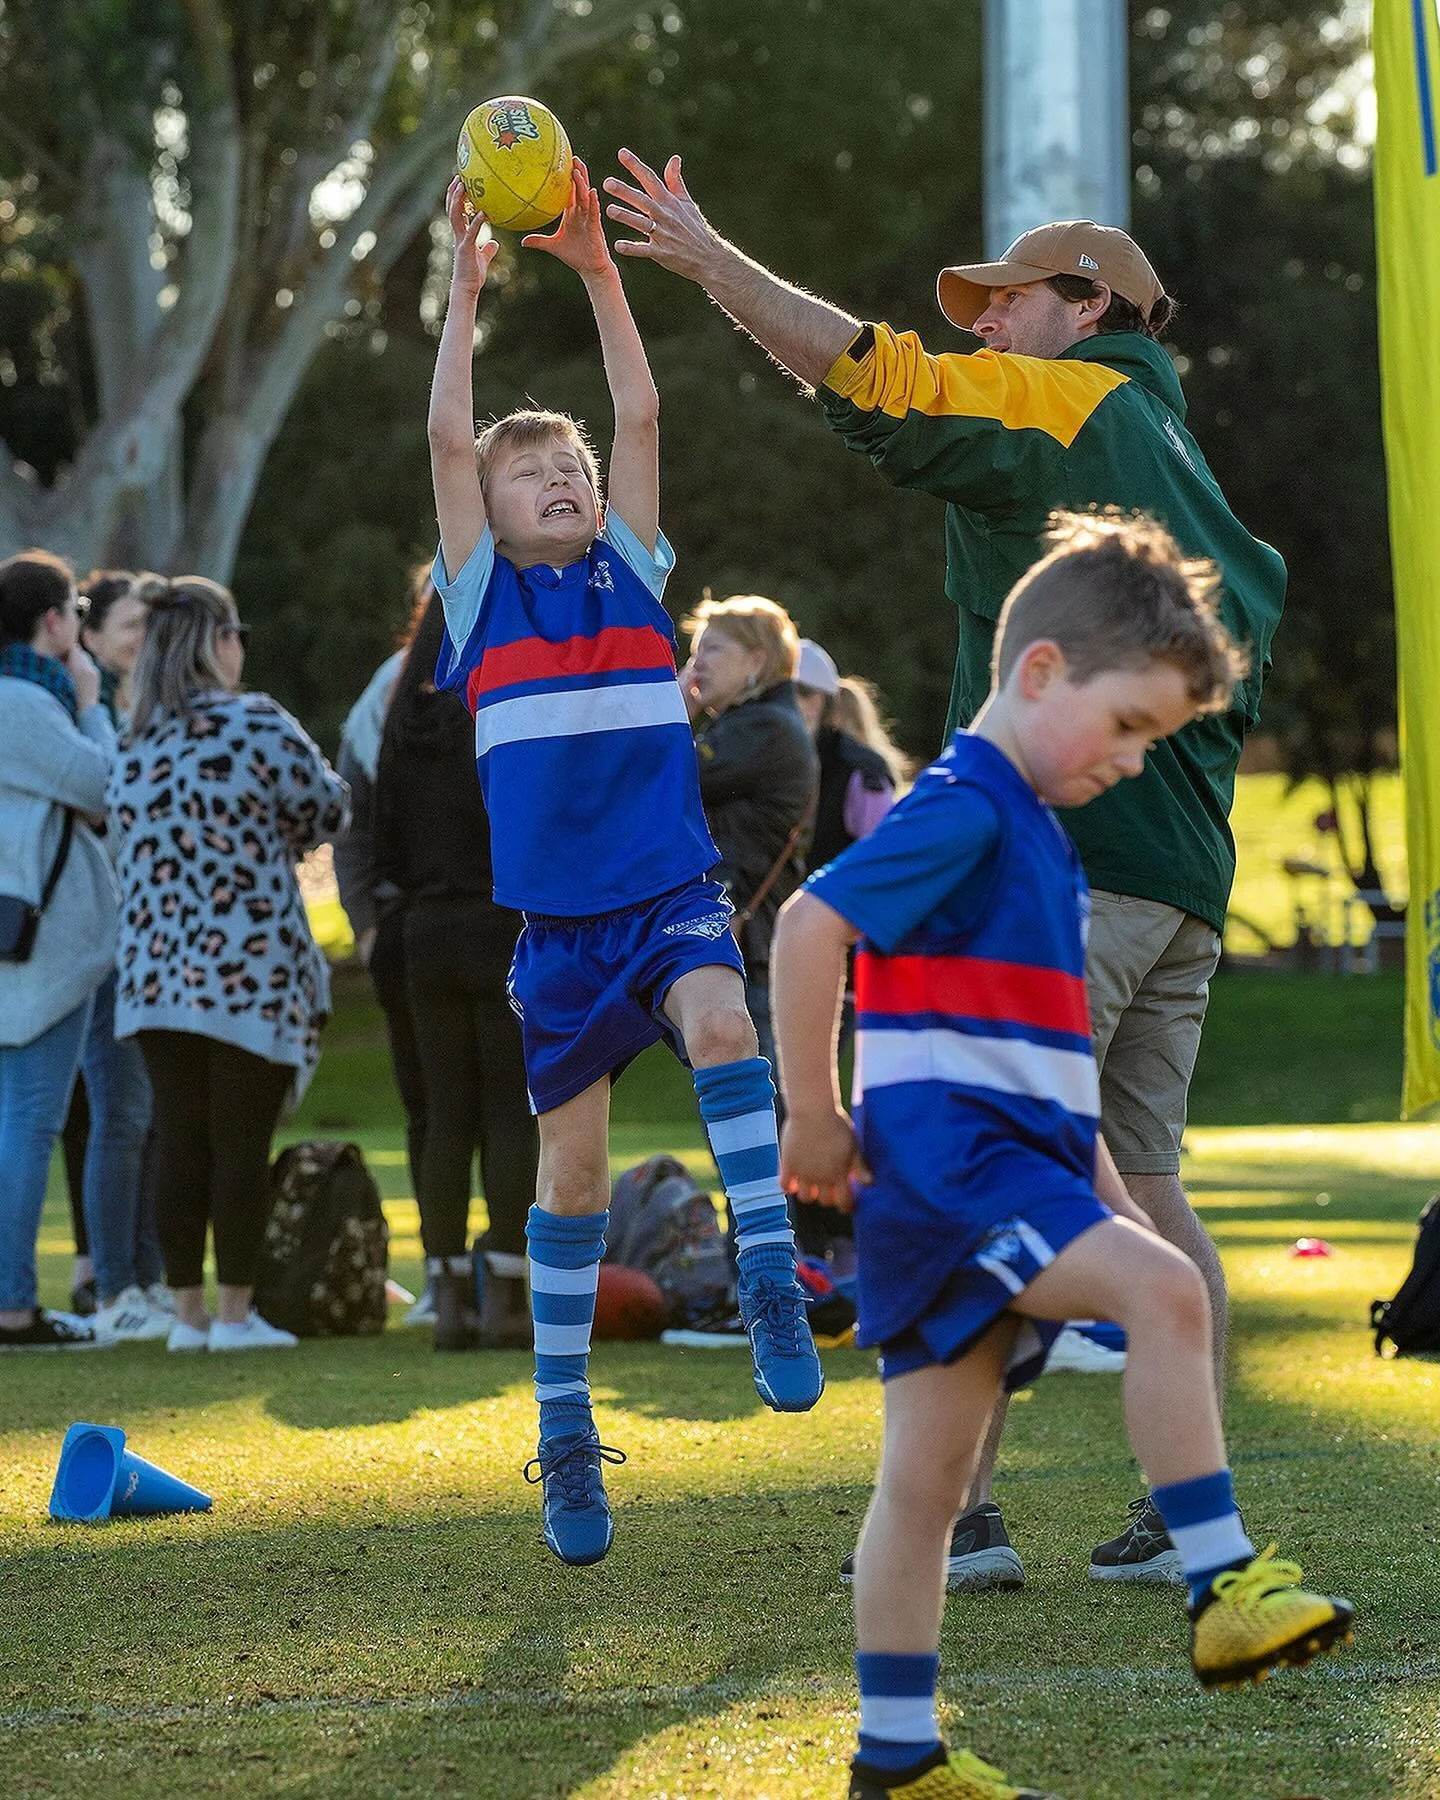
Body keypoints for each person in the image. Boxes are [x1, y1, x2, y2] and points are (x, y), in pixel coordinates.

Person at [604, 160, 1286, 1583]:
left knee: (991, 1174)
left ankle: (961, 1518)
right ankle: (1185, 1510)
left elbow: (877, 378)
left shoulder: (1072, 400)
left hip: (1068, 871)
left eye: (1007, 301)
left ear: (1089, 308)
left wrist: (711, 258)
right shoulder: (1181, 452)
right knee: (1147, 1186)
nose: (983, 325)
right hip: (1181, 882)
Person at [772, 512, 1350, 1800]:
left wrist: (1104, 1197)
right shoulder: (968, 805)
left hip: (1005, 1176)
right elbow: (811, 927)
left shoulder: (1037, 835)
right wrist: (811, 1112)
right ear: (1040, 671)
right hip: (956, 1180)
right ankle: (1223, 1587)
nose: (1137, 761)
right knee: (1168, 1295)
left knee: (923, 1490)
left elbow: (1053, 1075)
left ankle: (897, 1758)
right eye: (1130, 725)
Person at [427, 161, 822, 1568]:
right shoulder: (481, 605)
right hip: (560, 934)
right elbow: (448, 436)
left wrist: (601, 271)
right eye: (531, 471)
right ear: (487, 512)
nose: (563, 477)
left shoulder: (634, 578)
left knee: (723, 1021)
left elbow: (640, 410)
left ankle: (769, 1273)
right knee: (576, 1183)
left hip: (668, 894)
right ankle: (565, 1422)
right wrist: (464, 292)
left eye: (574, 469)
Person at [109, 578, 348, 1353]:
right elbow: (327, 807)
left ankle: (188, 1316)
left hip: (153, 972)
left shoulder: (133, 741)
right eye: (236, 633)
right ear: (216, 643)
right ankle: (237, 1315)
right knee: (240, 1143)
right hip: (247, 970)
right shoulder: (254, 722)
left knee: (182, 1142)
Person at [374, 585, 536, 1352]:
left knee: (444, 1117)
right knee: (509, 1111)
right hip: (503, 920)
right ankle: (505, 1290)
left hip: (427, 929)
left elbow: (384, 843)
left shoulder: (403, 720)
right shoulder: (504, 705)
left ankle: (445, 1295)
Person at [0, 550, 117, 1351]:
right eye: (76, 610)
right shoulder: (26, 703)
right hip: (38, 947)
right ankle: (13, 1305)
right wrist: (92, 702)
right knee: (29, 1125)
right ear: (52, 622)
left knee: (19, 1122)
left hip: (26, 938)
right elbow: (105, 785)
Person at [73, 569, 170, 1343]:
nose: (143, 637)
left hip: (149, 944)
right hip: (106, 945)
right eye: (130, 624)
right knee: (120, 1114)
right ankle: (113, 1290)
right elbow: (111, 798)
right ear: (91, 634)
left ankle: (147, 1278)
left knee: (147, 1117)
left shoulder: (146, 707)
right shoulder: (88, 711)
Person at [333, 589, 428, 1309]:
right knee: (430, 1105)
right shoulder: (385, 693)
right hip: (412, 923)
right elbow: (351, 821)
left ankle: (506, 1276)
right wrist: (365, 923)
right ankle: (455, 1278)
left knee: (513, 1105)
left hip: (503, 920)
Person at [680, 593, 818, 1069]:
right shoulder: (756, 723)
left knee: (742, 1083)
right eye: (695, 651)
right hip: (744, 934)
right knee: (734, 1082)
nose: (696, 664)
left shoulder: (762, 727)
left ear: (757, 660)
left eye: (713, 649)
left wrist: (673, 710)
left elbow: (664, 778)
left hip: (744, 935)